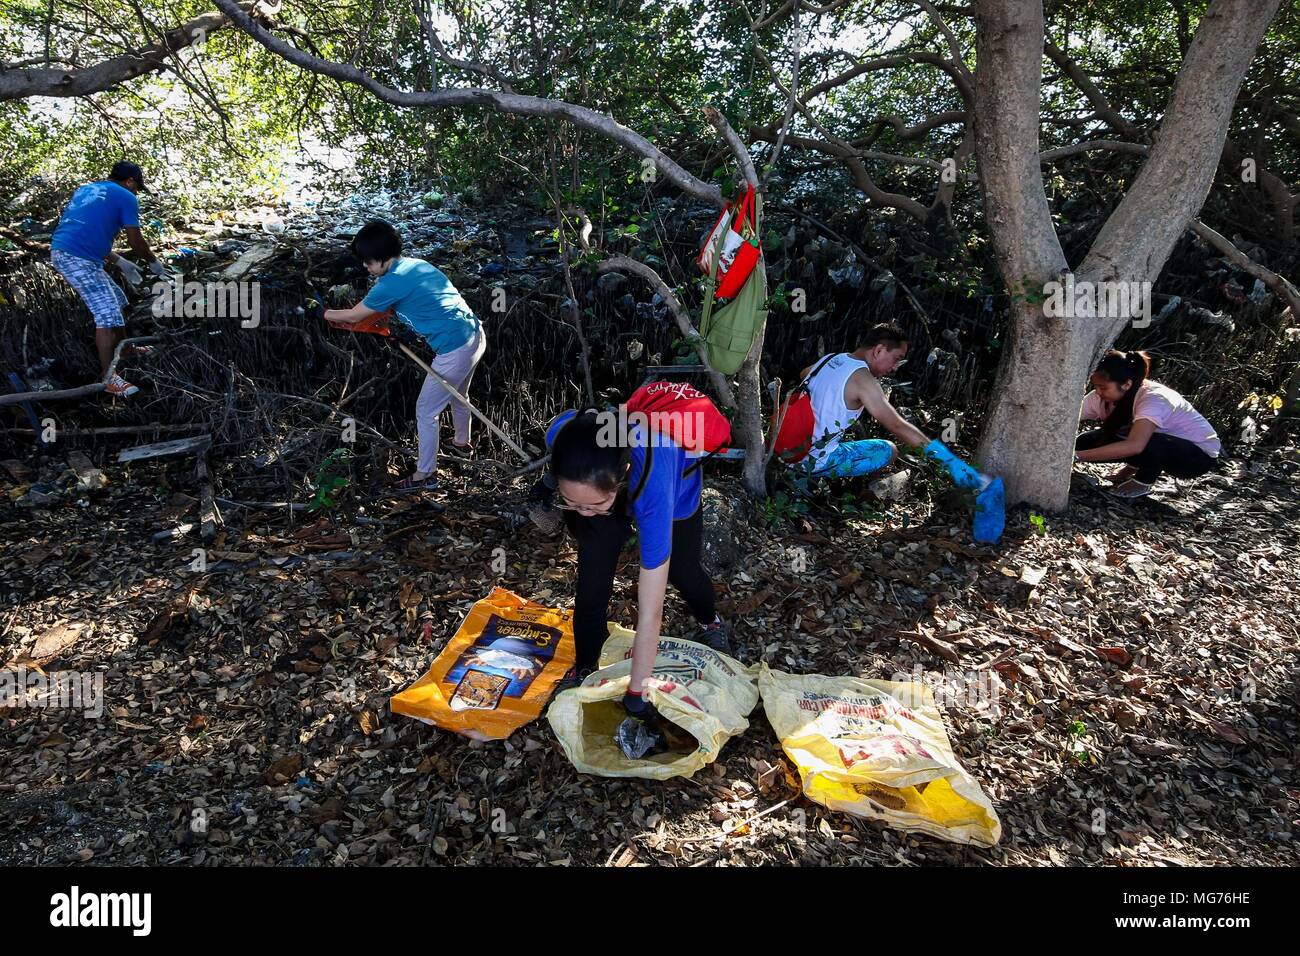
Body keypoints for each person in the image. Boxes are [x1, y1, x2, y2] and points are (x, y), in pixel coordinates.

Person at [539, 407, 731, 729]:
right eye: (571, 502)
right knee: (591, 584)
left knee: (682, 572)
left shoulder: (655, 488)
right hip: (604, 484)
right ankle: (586, 665)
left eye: (592, 505)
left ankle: (710, 622)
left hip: (675, 490)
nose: (583, 514)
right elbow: (571, 431)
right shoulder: (561, 434)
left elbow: (650, 612)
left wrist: (636, 692)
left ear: (623, 472)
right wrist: (556, 489)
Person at [789, 323, 1004, 541]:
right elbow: (897, 425)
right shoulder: (863, 379)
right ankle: (814, 482)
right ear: (879, 350)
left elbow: (804, 373)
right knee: (886, 451)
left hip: (785, 447)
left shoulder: (831, 359)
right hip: (810, 459)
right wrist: (953, 465)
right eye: (896, 358)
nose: (895, 367)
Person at [324, 220, 485, 490]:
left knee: (425, 412)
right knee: (460, 396)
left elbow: (354, 315)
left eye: (368, 261)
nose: (366, 267)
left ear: (383, 257)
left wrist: (324, 313)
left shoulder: (390, 284)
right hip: (475, 335)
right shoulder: (416, 264)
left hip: (454, 349)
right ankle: (461, 444)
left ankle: (426, 475)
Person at [49, 160, 168, 396]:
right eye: (136, 187)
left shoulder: (87, 190)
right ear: (130, 181)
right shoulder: (126, 196)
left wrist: (120, 262)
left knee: (119, 300)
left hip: (69, 252)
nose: (136, 192)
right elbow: (135, 240)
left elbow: (87, 232)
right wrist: (153, 261)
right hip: (76, 258)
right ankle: (109, 378)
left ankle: (125, 350)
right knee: (105, 313)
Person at [1076, 350, 1220, 498]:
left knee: (1153, 443)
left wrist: (1076, 457)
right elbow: (1070, 415)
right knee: (1083, 442)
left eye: (1103, 387)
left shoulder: (1153, 399)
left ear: (1126, 384)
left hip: (1196, 456)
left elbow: (1135, 445)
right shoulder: (1101, 397)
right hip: (1152, 442)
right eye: (1096, 387)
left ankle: (1143, 481)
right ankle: (1134, 467)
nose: (1098, 392)